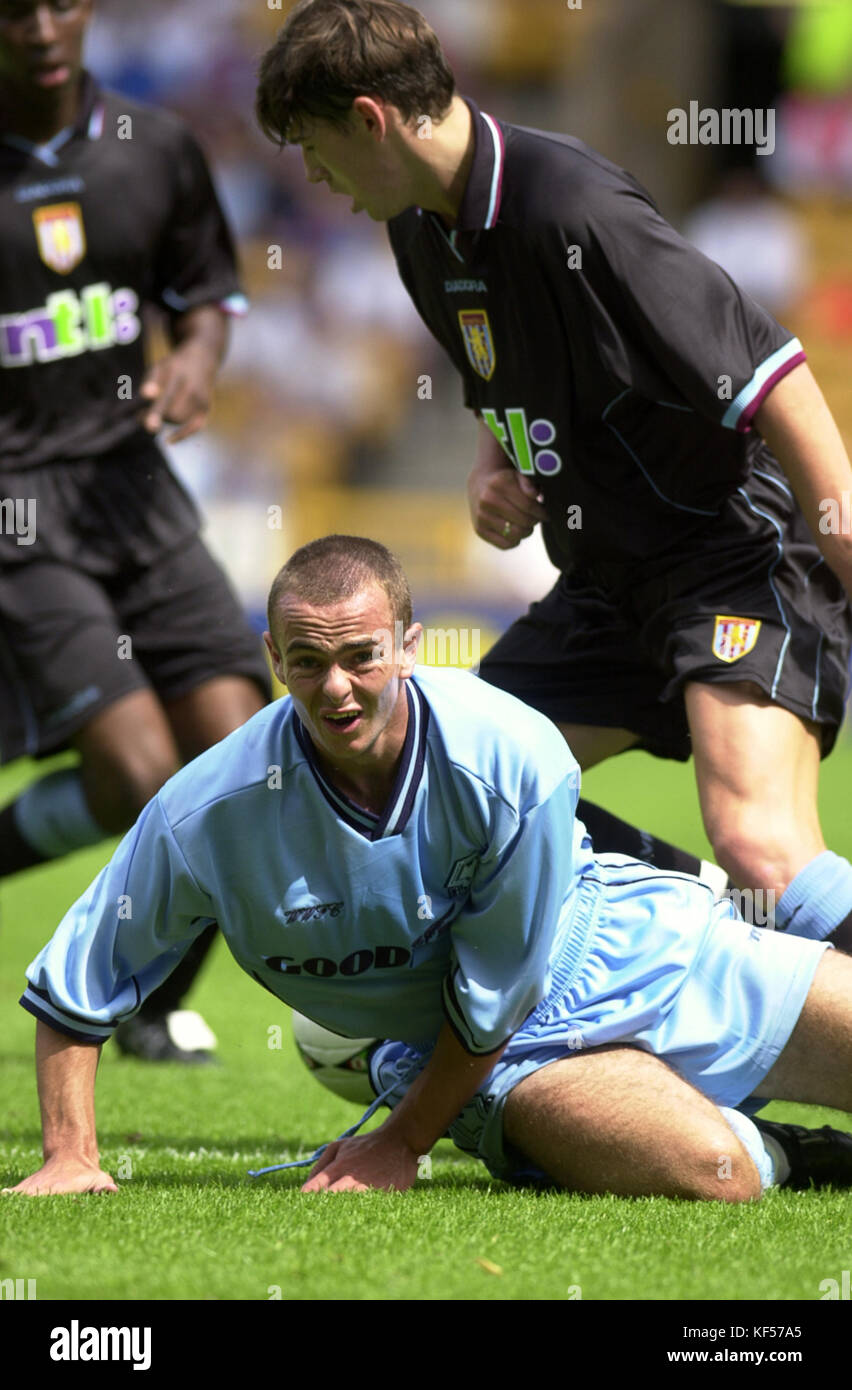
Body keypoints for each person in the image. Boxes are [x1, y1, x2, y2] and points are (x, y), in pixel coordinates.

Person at [255, 0, 852, 958]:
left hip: (732, 553)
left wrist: (841, 539)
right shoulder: (419, 231)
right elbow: (503, 371)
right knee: (446, 786)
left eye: (315, 150)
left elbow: (771, 366)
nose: (317, 180)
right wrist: (498, 461)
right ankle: (704, 911)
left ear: (370, 120)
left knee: (763, 848)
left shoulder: (574, 205)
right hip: (608, 579)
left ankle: (756, 929)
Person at [6, 534, 852, 1199]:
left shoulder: (513, 751)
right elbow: (83, 973)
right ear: (274, 658)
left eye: (362, 656)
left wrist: (400, 1142)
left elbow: (499, 983)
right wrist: (70, 1153)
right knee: (718, 1175)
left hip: (623, 943)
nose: (337, 688)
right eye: (307, 660)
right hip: (497, 1056)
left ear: (409, 645)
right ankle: (782, 1148)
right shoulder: (207, 812)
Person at [0, 1, 270, 1058]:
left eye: (60, 1)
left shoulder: (152, 149)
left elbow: (207, 295)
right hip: (19, 503)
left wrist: (196, 363)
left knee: (245, 762)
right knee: (140, 774)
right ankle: (110, 992)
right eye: (13, 9)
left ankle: (154, 1009)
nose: (38, 26)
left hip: (136, 491)